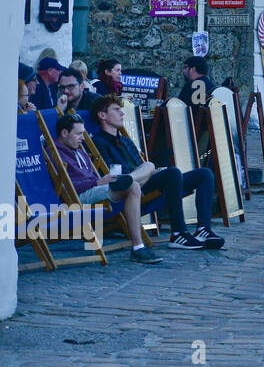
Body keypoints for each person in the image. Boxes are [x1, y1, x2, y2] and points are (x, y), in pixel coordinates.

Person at [87, 97, 226, 251]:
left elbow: (142, 167)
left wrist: (148, 172)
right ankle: (178, 233)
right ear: (102, 115)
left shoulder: (125, 140)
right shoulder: (99, 142)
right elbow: (111, 173)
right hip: (130, 187)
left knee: (204, 174)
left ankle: (203, 230)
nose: (122, 114)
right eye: (116, 110)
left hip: (143, 179)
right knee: (171, 173)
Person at [56, 110, 161, 264]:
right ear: (64, 133)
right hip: (77, 197)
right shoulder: (55, 154)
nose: (82, 138)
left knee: (147, 166)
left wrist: (103, 181)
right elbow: (66, 188)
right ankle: (138, 247)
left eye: (83, 133)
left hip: (95, 188)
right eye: (78, 134)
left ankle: (128, 179)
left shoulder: (80, 151)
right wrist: (97, 183)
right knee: (133, 188)